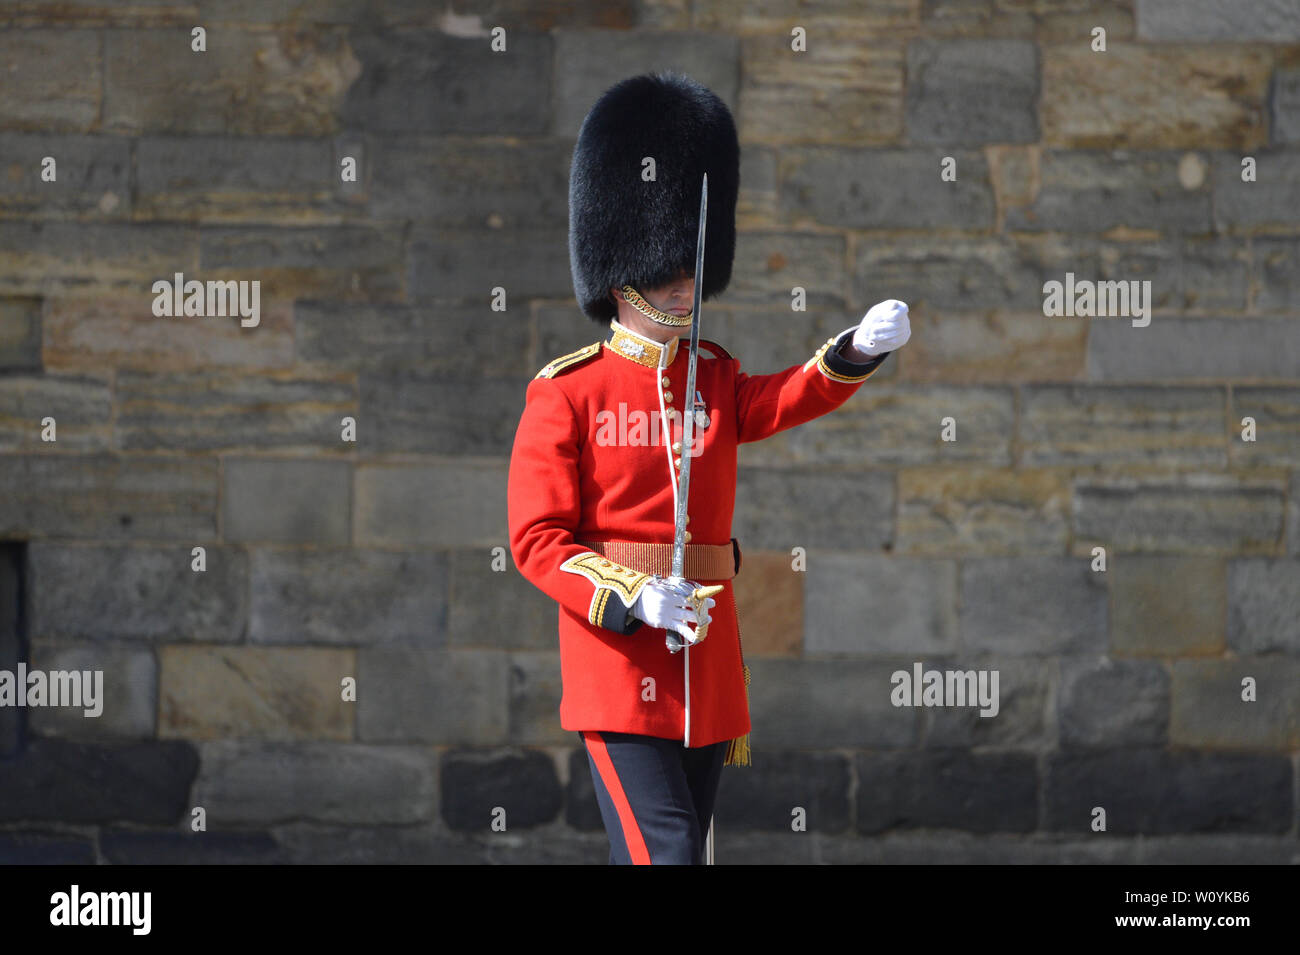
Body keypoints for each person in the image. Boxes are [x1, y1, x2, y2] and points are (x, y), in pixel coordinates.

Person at [506, 71, 910, 865]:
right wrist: (629, 595)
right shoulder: (567, 391)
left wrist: (855, 350)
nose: (686, 284)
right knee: (669, 855)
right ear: (623, 276)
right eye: (668, 272)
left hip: (704, 668)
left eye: (688, 266)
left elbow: (783, 401)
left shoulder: (714, 375)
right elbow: (537, 540)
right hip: (619, 666)